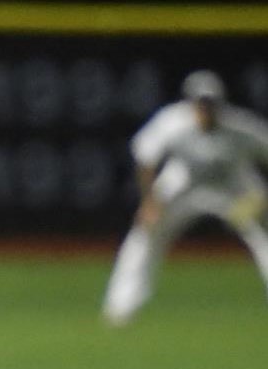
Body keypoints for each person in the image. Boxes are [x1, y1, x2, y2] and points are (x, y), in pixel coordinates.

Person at [102, 69, 268, 325]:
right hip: (184, 183)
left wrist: (262, 199)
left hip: (233, 186)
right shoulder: (173, 123)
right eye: (200, 103)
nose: (205, 108)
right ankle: (121, 306)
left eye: (210, 103)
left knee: (265, 236)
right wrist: (149, 203)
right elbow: (145, 159)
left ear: (220, 103)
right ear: (190, 103)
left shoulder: (241, 127)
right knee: (146, 232)